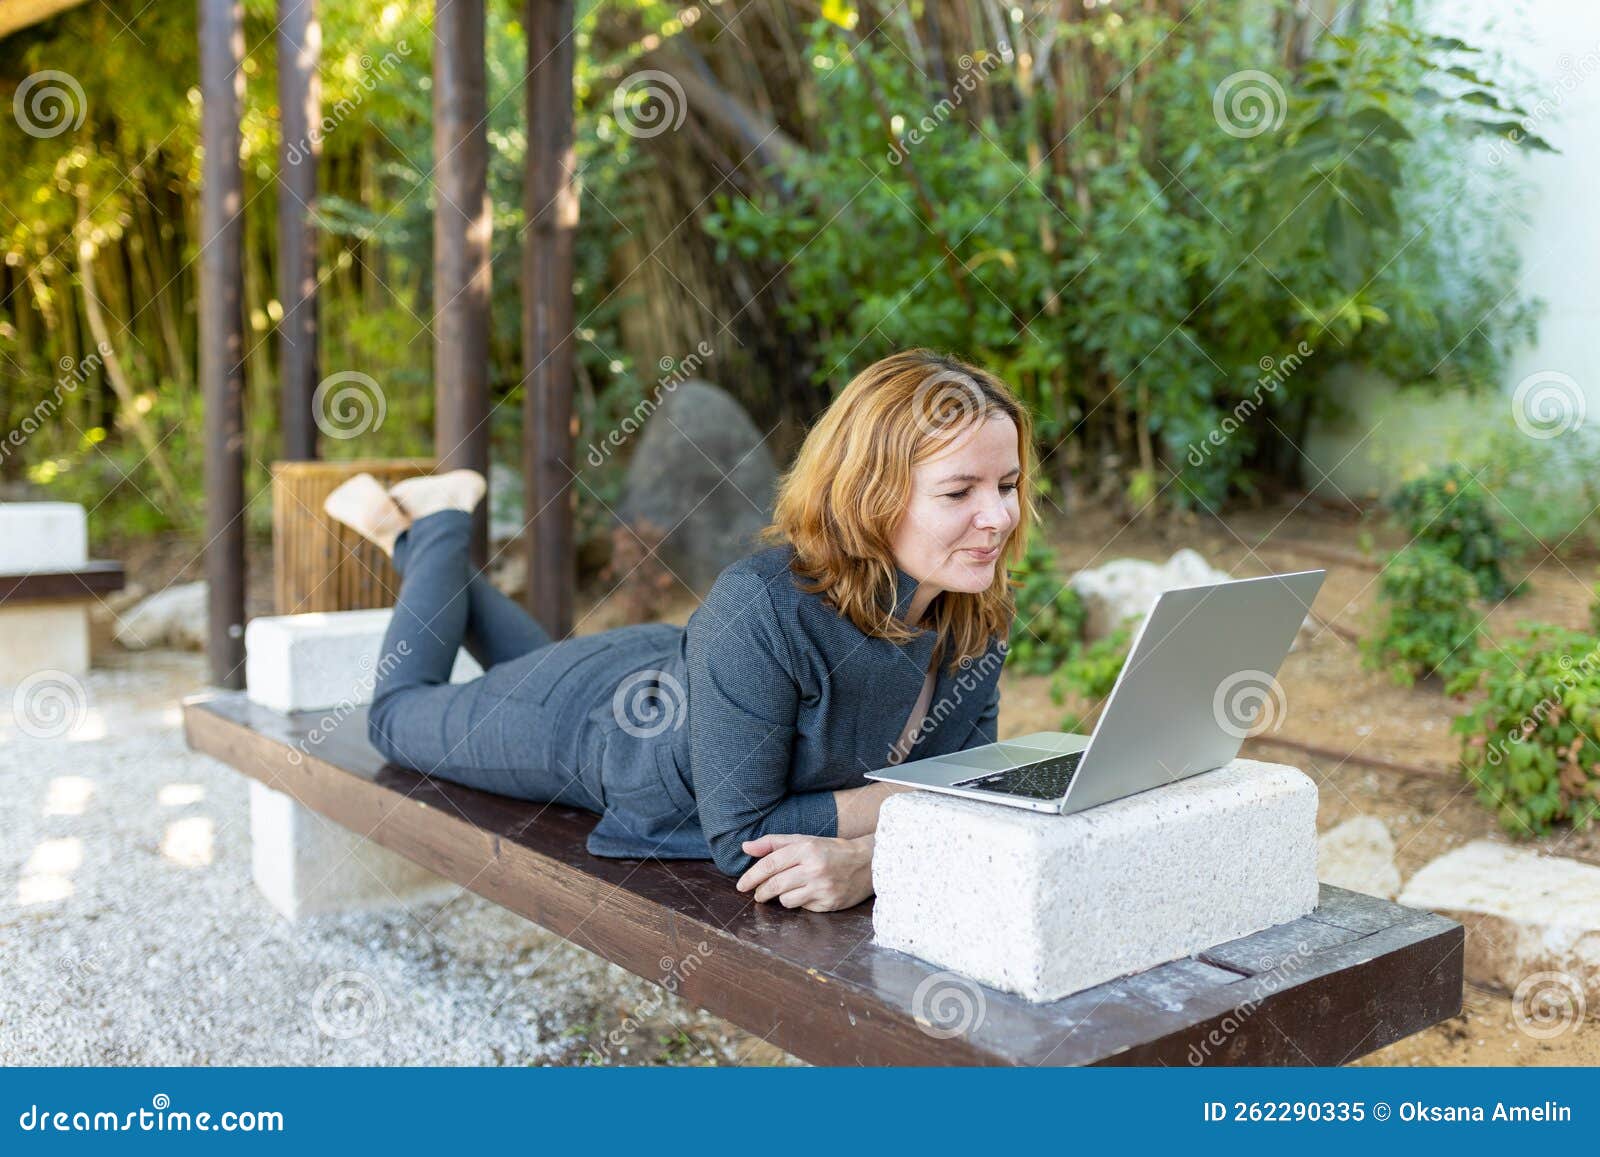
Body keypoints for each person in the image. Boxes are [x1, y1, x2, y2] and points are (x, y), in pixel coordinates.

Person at [322, 348, 1037, 911]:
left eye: (1006, 485)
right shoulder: (763, 604)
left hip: (683, 673)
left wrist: (872, 856)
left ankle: (414, 538)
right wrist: (915, 804)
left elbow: (970, 791)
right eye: (958, 491)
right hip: (590, 724)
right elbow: (742, 834)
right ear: (869, 496)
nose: (999, 517)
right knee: (393, 718)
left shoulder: (976, 610)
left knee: (528, 669)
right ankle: (442, 523)